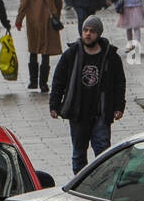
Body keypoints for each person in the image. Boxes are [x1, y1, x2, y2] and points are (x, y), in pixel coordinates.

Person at [49, 15, 126, 174]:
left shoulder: (110, 57)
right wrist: (54, 105)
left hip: (101, 114)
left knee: (103, 153)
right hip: (78, 113)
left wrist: (119, 106)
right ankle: (80, 184)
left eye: (92, 31)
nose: (88, 34)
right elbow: (59, 80)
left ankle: (102, 183)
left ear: (99, 34)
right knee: (78, 154)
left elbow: (119, 83)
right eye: (85, 30)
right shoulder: (71, 54)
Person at [14, 0, 64, 92]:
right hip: (49, 20)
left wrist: (19, 19)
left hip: (33, 20)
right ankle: (44, 83)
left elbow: (24, 1)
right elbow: (59, 0)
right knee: (46, 50)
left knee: (33, 49)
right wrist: (57, 15)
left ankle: (33, 81)